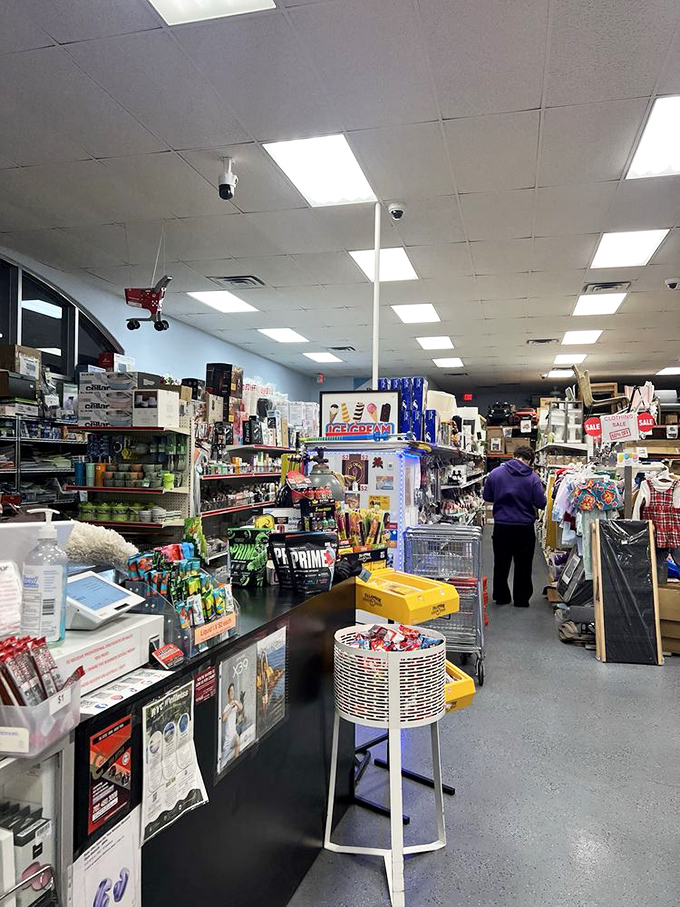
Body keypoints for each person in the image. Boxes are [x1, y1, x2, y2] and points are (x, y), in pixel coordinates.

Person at [483, 445, 546, 607]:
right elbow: (541, 503)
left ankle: (501, 596)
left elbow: (487, 496)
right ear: (529, 460)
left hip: (502, 525)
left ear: (514, 456)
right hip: (524, 527)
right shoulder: (533, 478)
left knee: (501, 563)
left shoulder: (496, 473)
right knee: (523, 564)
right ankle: (521, 599)